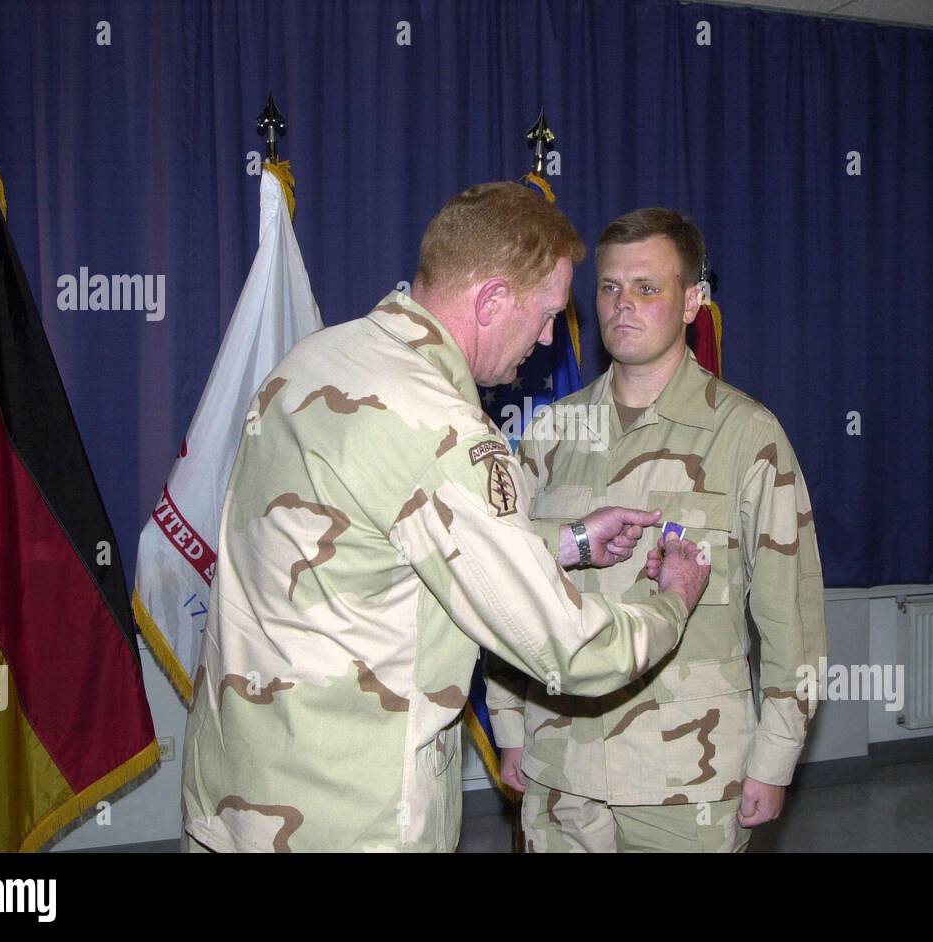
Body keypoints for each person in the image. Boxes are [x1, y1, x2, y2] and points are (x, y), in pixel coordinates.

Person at [180, 183, 711, 853]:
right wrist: (670, 600)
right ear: (490, 300)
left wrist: (571, 540)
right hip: (351, 818)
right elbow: (570, 647)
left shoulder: (312, 361)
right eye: (545, 314)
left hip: (232, 797)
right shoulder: (438, 425)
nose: (550, 337)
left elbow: (384, 540)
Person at [488, 207, 827, 853]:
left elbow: (793, 616)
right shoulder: (550, 432)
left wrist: (775, 758)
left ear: (693, 300)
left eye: (649, 288)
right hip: (560, 765)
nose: (624, 305)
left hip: (686, 775)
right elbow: (506, 585)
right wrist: (508, 727)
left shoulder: (747, 436)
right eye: (610, 287)